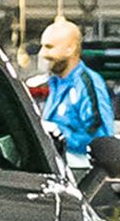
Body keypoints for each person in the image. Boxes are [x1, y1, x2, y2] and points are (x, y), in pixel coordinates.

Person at [37, 17, 113, 159]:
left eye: (49, 47)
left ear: (70, 49)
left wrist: (59, 137)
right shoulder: (56, 83)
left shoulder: (87, 84)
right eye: (42, 47)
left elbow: (102, 141)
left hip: (79, 169)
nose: (42, 53)